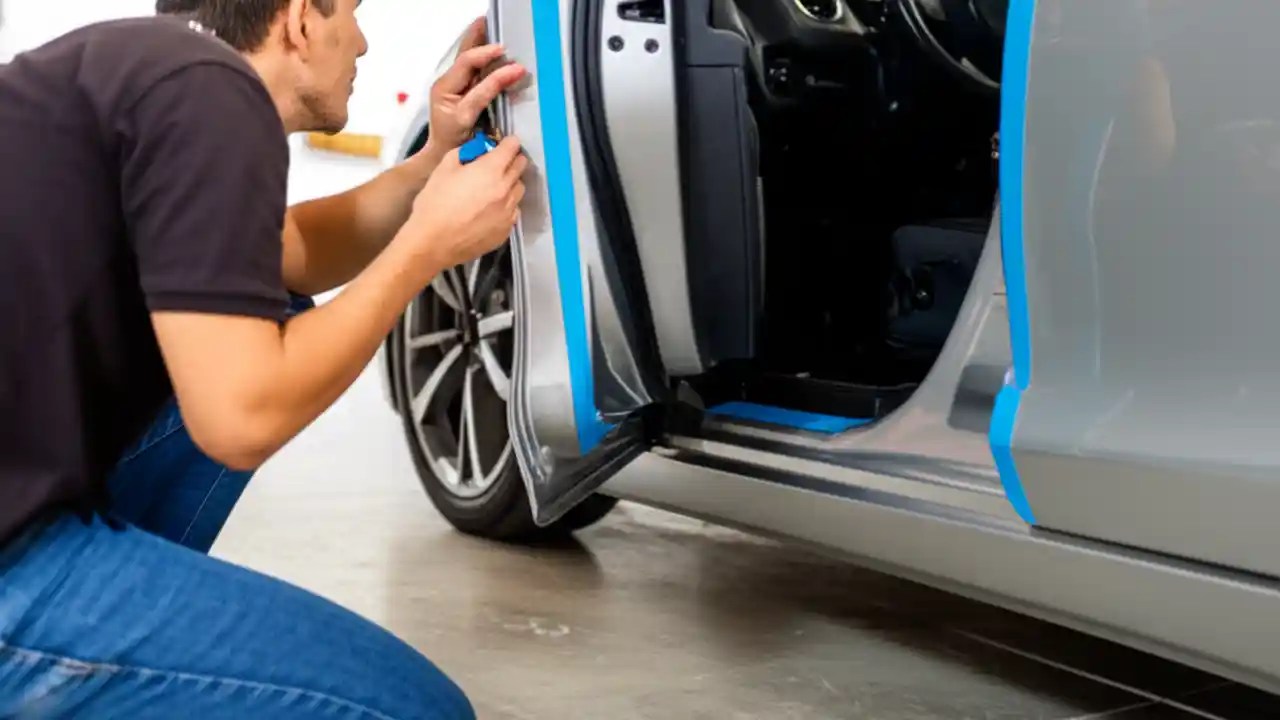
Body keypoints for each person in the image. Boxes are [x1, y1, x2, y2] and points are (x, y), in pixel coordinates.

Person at [0, 0, 527, 716]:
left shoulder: (138, 70)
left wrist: (431, 164)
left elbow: (288, 254)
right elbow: (239, 419)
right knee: (416, 708)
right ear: (304, 18)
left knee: (273, 309)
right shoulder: (209, 92)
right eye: (356, 13)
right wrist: (425, 251)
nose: (364, 43)